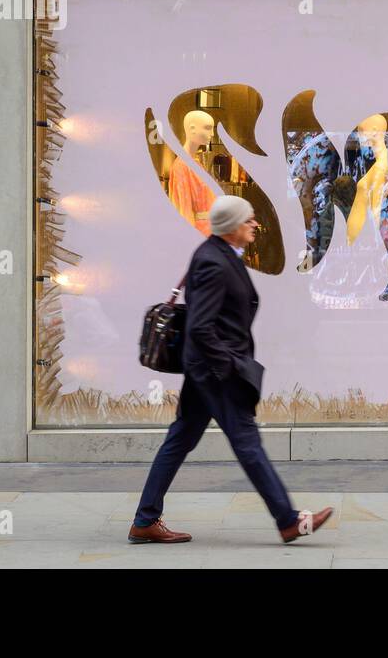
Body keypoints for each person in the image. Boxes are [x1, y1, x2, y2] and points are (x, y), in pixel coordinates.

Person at [129, 195, 334, 544]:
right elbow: (200, 327)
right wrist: (228, 368)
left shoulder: (219, 254)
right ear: (233, 226)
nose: (255, 225)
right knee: (247, 442)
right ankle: (287, 520)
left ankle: (145, 520)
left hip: (205, 369)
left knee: (181, 439)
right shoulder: (212, 261)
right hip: (215, 372)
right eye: (249, 220)